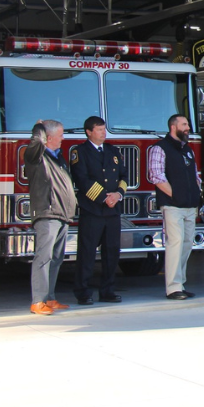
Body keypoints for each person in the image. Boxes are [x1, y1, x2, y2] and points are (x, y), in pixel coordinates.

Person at [70, 115, 128, 305]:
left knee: (112, 252)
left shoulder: (112, 151)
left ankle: (108, 290)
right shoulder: (80, 152)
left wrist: (118, 194)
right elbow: (82, 180)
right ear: (89, 132)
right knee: (87, 253)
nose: (104, 133)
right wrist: (105, 197)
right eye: (100, 130)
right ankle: (83, 292)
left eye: (104, 129)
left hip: (113, 211)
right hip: (93, 210)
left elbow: (124, 176)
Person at [25, 119, 78, 316]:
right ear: (48, 138)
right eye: (61, 135)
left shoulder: (58, 157)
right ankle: (37, 301)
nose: (63, 138)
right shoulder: (36, 157)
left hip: (62, 215)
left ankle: (49, 297)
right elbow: (35, 144)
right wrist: (38, 127)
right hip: (47, 214)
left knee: (56, 259)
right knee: (44, 257)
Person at [149, 114, 202, 300]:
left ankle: (181, 282)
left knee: (187, 244)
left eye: (188, 124)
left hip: (189, 206)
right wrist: (176, 195)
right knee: (175, 242)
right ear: (173, 127)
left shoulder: (188, 150)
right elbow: (156, 176)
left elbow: (195, 175)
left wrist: (197, 191)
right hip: (172, 206)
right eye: (184, 124)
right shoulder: (159, 148)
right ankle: (173, 288)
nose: (188, 127)